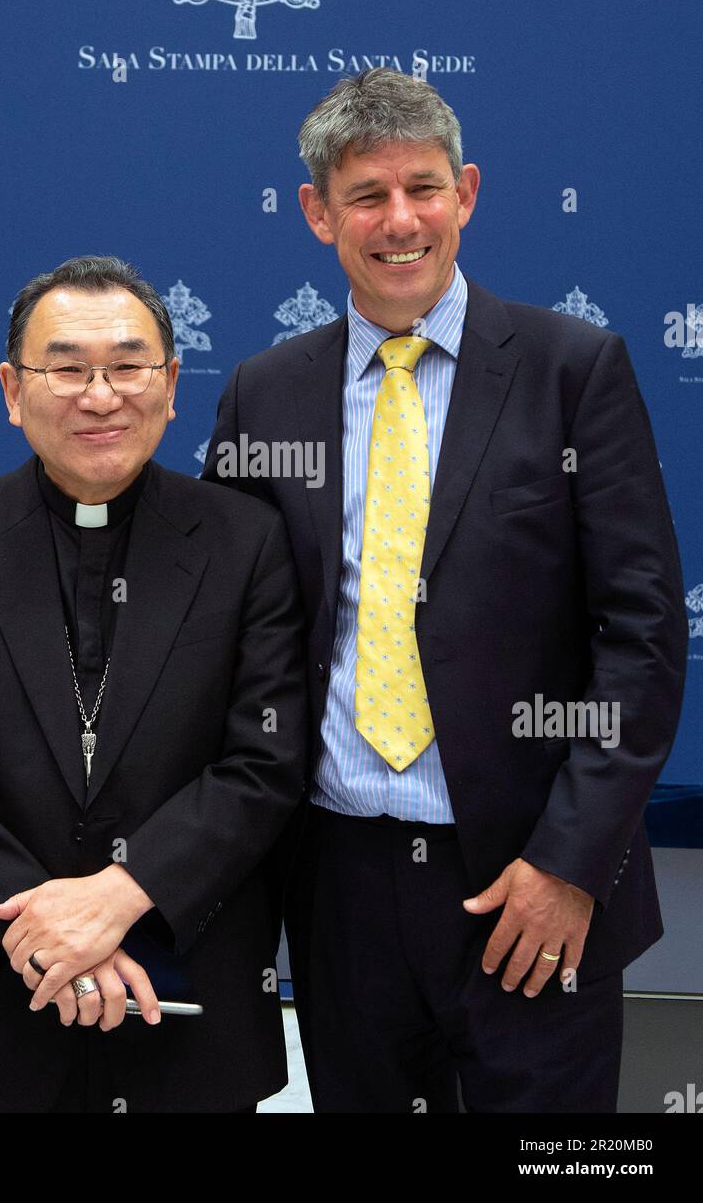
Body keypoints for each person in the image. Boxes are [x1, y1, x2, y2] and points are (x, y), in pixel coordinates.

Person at [202, 68, 688, 1113]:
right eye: (366, 195)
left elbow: (642, 637)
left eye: (422, 187)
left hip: (529, 884)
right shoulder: (265, 390)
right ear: (317, 212)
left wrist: (568, 863)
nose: (399, 220)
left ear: (465, 193)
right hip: (334, 884)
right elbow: (232, 637)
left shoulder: (572, 369)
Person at [0, 254, 308, 1113]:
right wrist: (42, 931)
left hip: (188, 1008)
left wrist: (120, 895)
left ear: (172, 383)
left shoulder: (246, 541)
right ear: (11, 389)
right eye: (65, 368)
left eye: (129, 366)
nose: (101, 396)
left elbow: (265, 759)